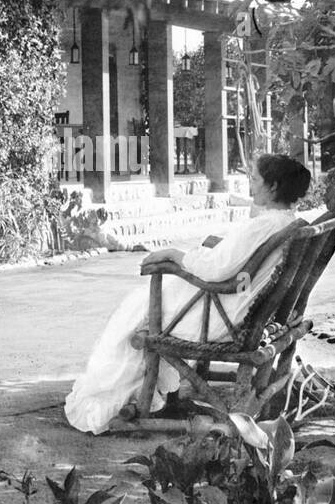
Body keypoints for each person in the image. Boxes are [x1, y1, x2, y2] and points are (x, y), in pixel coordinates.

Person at [64, 153, 314, 435]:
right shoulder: (284, 223)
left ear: (274, 186)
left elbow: (217, 268)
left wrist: (173, 255)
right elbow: (236, 265)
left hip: (224, 316)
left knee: (138, 308)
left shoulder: (265, 225)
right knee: (140, 304)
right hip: (248, 308)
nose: (250, 185)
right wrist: (215, 256)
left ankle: (124, 394)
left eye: (255, 179)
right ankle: (150, 389)